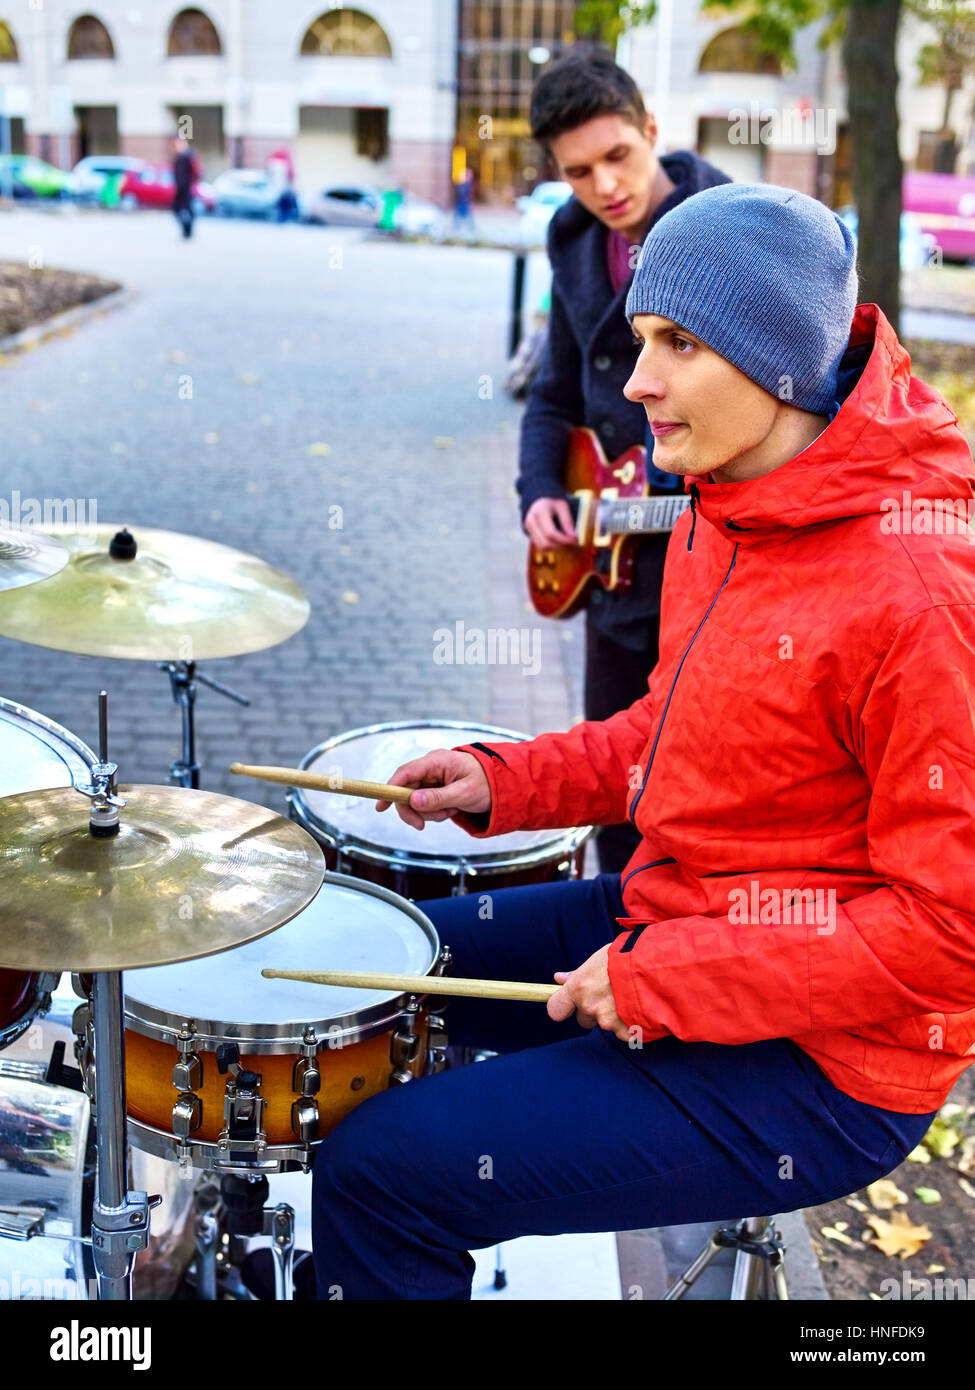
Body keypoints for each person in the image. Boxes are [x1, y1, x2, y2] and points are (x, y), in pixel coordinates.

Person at [310, 183, 975, 1300]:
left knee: (378, 1176)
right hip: (682, 907)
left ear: (776, 362)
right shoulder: (732, 494)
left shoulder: (921, 594)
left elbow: (949, 933)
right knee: (385, 967)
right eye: (637, 340)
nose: (635, 382)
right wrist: (504, 781)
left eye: (677, 344)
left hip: (832, 1067)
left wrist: (673, 980)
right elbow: (675, 732)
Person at [519, 53, 731, 875]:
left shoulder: (727, 223)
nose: (604, 186)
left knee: (700, 798)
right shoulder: (572, 238)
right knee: (615, 785)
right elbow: (553, 394)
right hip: (610, 580)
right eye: (578, 172)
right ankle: (614, 966)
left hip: (708, 572)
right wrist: (540, 492)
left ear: (652, 132)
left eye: (618, 157)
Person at [172, 137, 198, 239]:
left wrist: (190, 185)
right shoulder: (179, 157)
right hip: (181, 189)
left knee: (186, 210)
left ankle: (188, 231)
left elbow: (195, 173)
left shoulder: (187, 157)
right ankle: (186, 230)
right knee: (180, 209)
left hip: (186, 189)